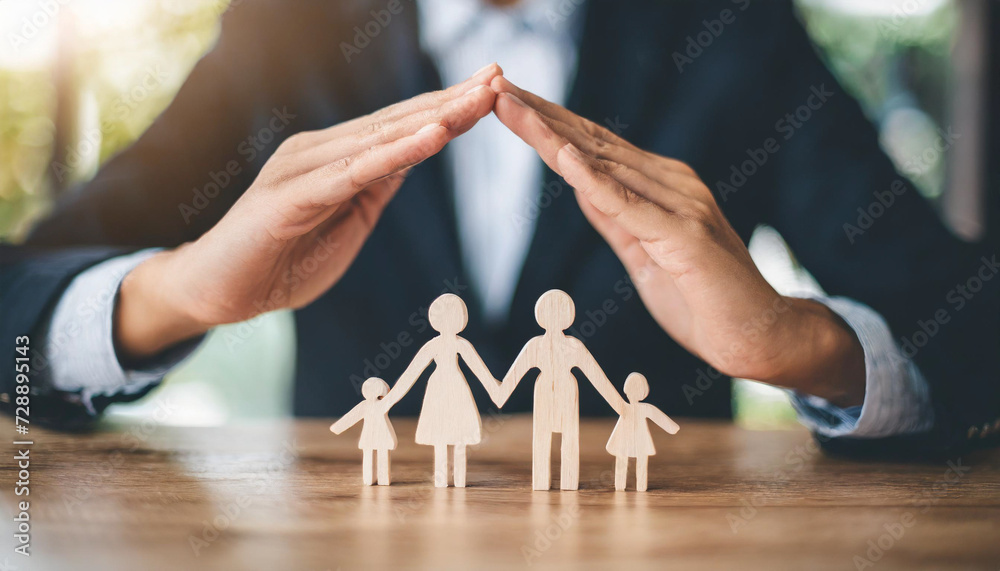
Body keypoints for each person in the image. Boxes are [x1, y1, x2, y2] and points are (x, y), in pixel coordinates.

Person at [1, 0, 997, 457]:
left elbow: (974, 334)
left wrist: (800, 342)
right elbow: (16, 303)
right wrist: (173, 291)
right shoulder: (284, 31)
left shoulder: (731, 27)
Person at [496, 289, 626, 490]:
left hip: (559, 391)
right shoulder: (564, 345)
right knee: (559, 439)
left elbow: (597, 377)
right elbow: (598, 379)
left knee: (555, 439)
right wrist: (620, 406)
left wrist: (498, 394)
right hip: (554, 391)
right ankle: (556, 481)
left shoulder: (544, 345)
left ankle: (556, 481)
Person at [379, 294, 502, 487]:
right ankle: (444, 478)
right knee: (443, 435)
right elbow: (411, 373)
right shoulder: (439, 345)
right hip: (442, 388)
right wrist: (389, 399)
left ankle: (457, 479)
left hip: (453, 388)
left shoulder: (458, 344)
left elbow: (479, 369)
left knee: (457, 435)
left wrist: (496, 390)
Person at [605, 373, 680, 492]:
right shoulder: (625, 407)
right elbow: (610, 396)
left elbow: (659, 417)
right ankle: (622, 485)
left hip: (638, 438)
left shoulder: (641, 408)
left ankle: (638, 486)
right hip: (626, 438)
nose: (633, 393)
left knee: (637, 460)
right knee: (624, 459)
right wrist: (672, 428)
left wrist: (672, 428)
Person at [330, 377, 398, 486]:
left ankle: (379, 479)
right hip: (375, 436)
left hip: (376, 436)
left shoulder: (376, 404)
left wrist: (337, 428)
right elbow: (350, 417)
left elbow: (350, 417)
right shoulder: (372, 405)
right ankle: (375, 479)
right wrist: (337, 428)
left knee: (378, 456)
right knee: (374, 456)